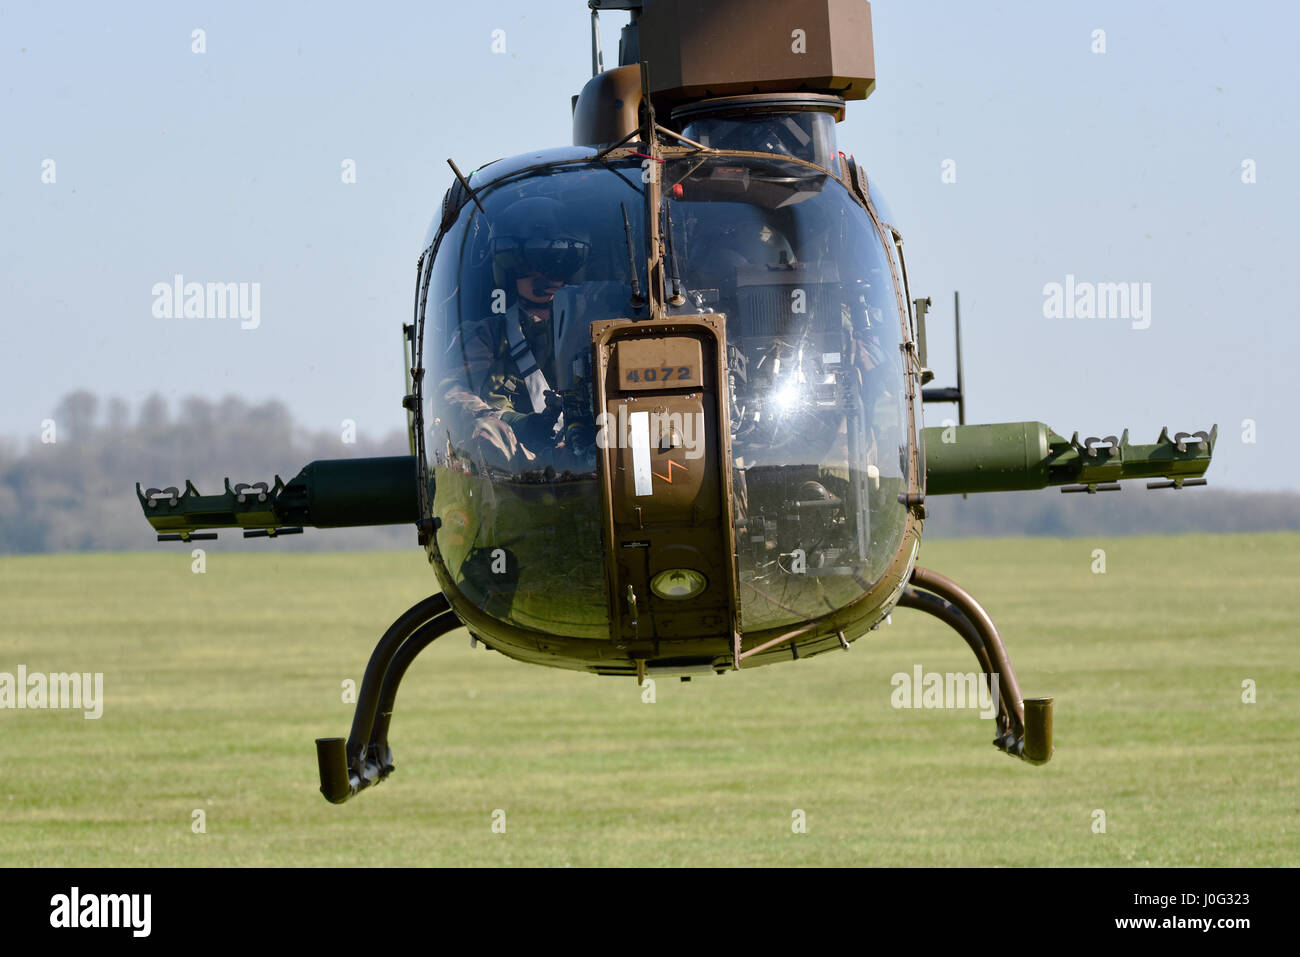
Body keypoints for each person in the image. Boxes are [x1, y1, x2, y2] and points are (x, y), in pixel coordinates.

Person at [442, 196, 589, 468]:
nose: (543, 277)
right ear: (509, 268)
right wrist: (514, 422)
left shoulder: (599, 329)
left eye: (555, 263)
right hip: (521, 462)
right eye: (528, 265)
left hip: (599, 451)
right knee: (488, 431)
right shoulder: (488, 334)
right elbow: (451, 394)